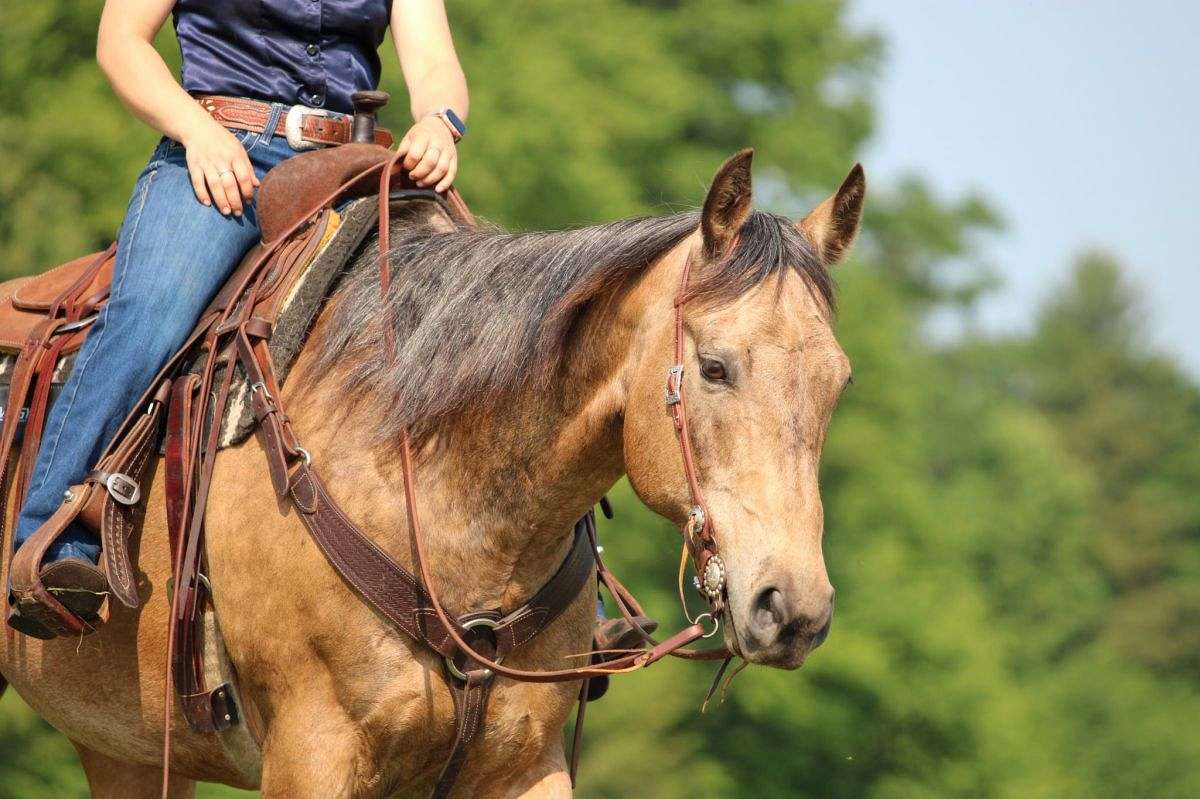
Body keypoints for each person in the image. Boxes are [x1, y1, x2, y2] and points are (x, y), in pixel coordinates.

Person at [8, 0, 469, 635]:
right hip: (222, 156)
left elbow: (436, 61)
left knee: (475, 319)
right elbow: (121, 43)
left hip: (351, 166)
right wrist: (196, 131)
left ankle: (568, 597)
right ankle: (52, 542)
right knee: (150, 315)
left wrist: (440, 124)